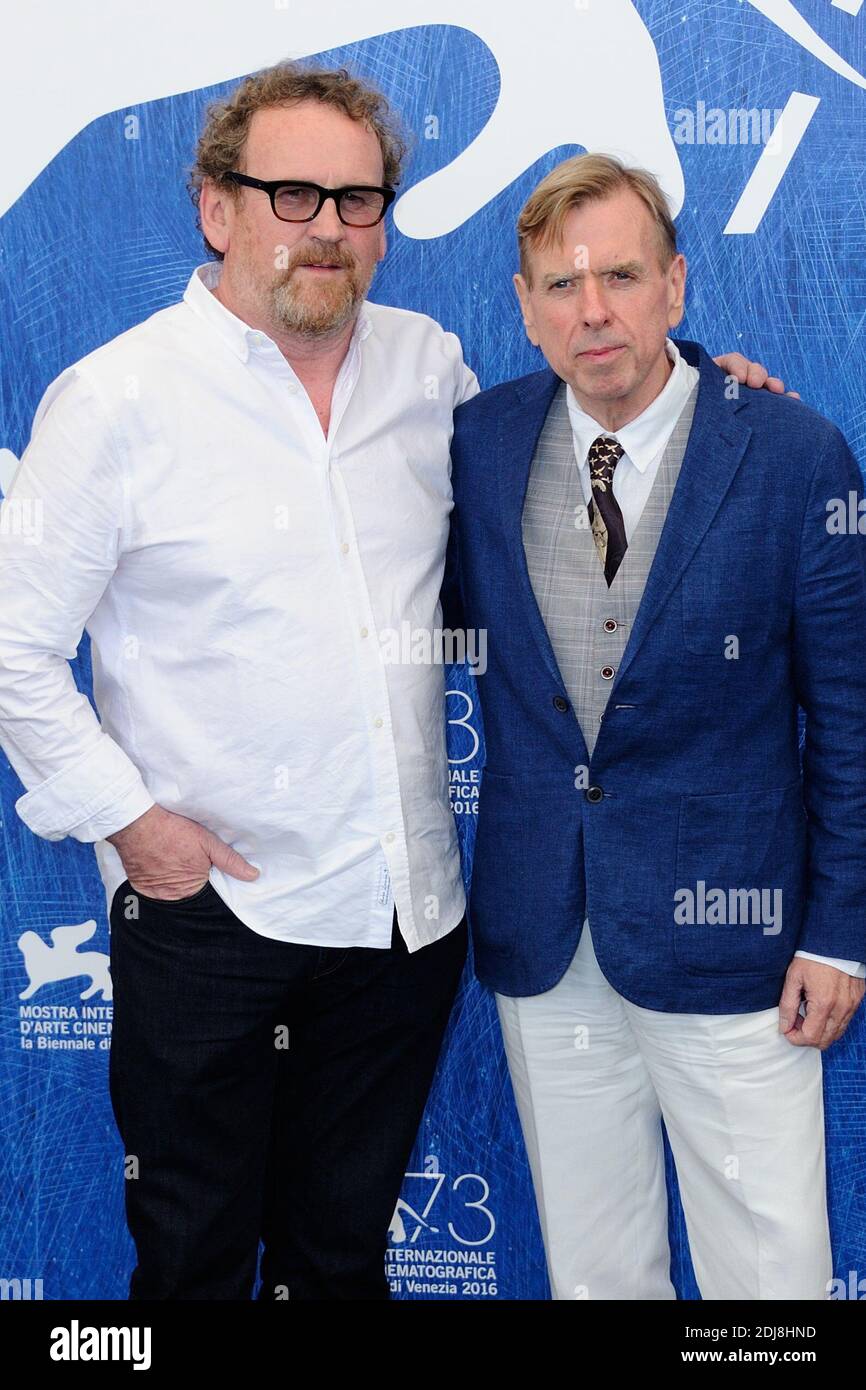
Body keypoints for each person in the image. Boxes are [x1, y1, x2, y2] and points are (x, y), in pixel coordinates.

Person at [0, 59, 783, 1302]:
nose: (327, 229)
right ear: (218, 209)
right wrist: (135, 825)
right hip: (214, 923)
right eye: (292, 195)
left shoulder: (432, 373)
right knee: (191, 1263)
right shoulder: (116, 400)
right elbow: (11, 647)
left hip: (400, 918)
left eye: (357, 202)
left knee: (339, 1261)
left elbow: (562, 482)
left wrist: (703, 401)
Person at [448, 152, 866, 1300]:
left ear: (674, 288)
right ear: (524, 308)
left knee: (768, 1277)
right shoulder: (479, 445)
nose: (593, 311)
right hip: (545, 939)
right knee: (592, 1272)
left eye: (621, 277)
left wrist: (838, 933)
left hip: (735, 950)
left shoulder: (790, 453)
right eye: (559, 285)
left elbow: (847, 715)